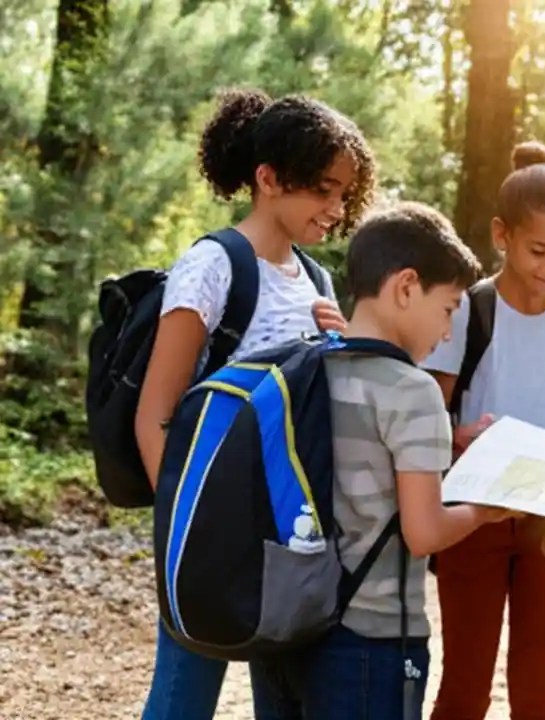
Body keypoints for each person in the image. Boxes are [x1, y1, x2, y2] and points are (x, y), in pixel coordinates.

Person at [134, 87, 375, 720]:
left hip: (292, 539)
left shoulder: (318, 280)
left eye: (344, 193)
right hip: (209, 535)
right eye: (323, 189)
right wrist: (188, 530)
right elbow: (156, 412)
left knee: (287, 702)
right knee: (183, 703)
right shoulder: (213, 267)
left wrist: (343, 341)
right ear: (268, 178)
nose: (336, 207)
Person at [248, 201, 513, 720]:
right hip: (371, 642)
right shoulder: (413, 391)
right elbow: (425, 531)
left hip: (284, 629)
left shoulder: (303, 369)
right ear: (406, 286)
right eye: (449, 308)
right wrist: (487, 510)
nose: (445, 332)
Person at [425, 142, 545, 720]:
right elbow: (431, 413)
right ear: (501, 235)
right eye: (539, 251)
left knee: (539, 689)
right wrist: (459, 437)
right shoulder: (467, 310)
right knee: (466, 686)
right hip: (475, 514)